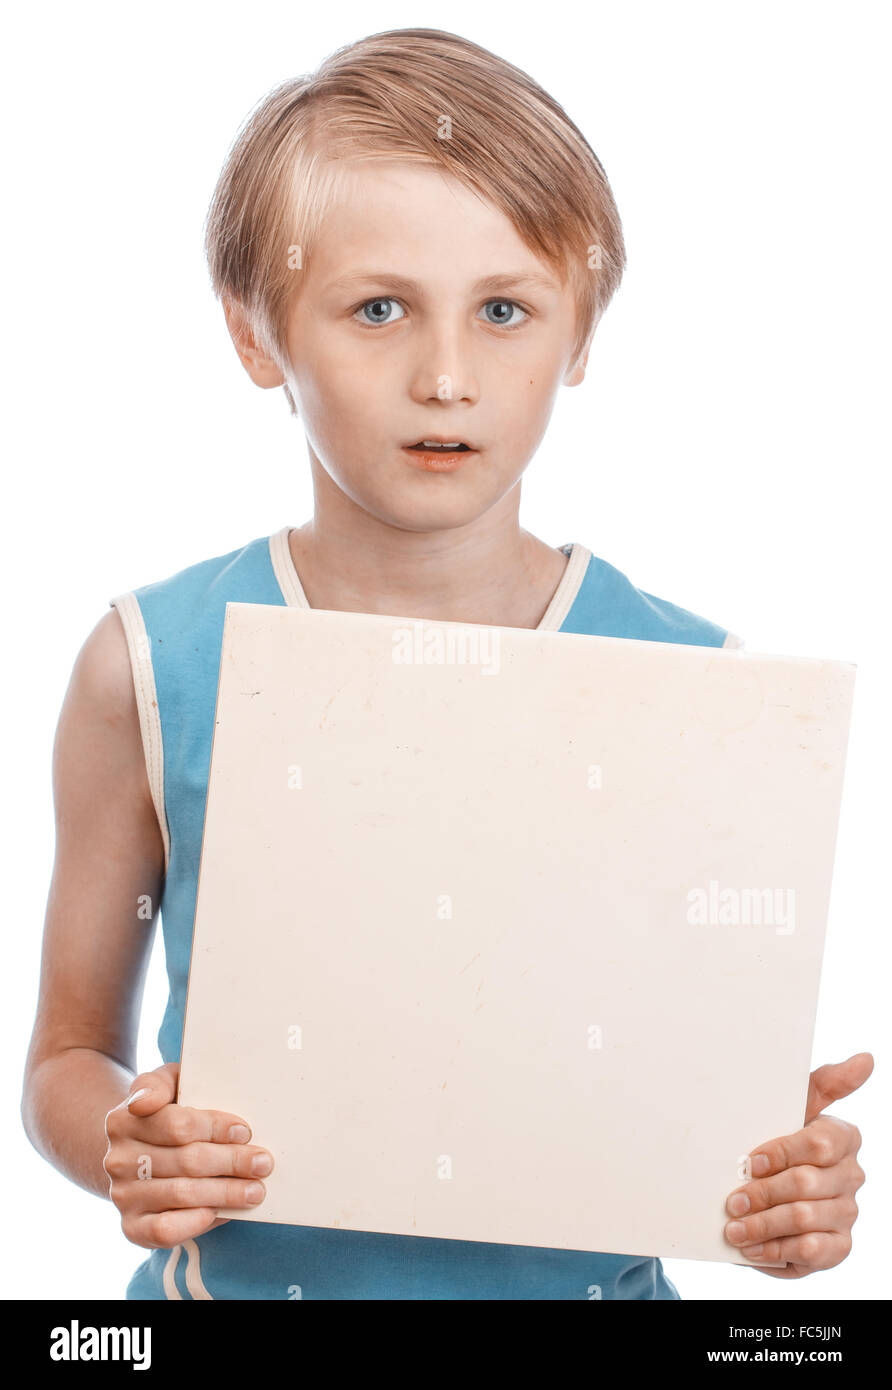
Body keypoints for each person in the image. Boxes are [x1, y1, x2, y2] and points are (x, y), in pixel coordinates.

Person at [21, 26, 871, 1300]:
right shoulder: (150, 663)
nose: (445, 376)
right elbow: (65, 1058)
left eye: (504, 310)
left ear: (578, 336)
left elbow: (703, 1118)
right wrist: (127, 1147)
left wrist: (779, 1190)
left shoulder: (697, 693)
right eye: (377, 308)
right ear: (255, 334)